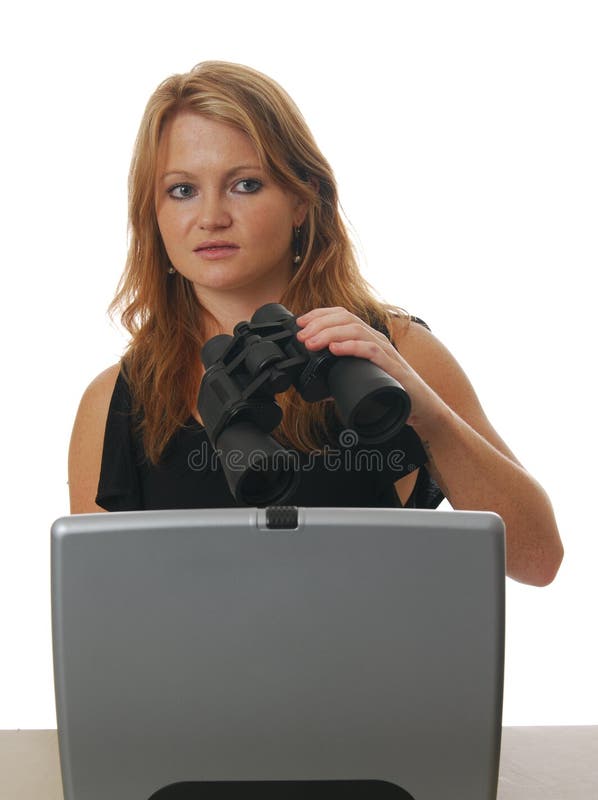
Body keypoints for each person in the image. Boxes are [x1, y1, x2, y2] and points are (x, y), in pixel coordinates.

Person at [68, 60, 563, 587]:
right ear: (154, 213)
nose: (211, 217)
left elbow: (537, 561)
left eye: (246, 184)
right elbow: (99, 618)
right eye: (182, 190)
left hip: (377, 669)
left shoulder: (393, 353)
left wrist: (430, 416)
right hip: (189, 673)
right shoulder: (116, 402)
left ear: (302, 200)